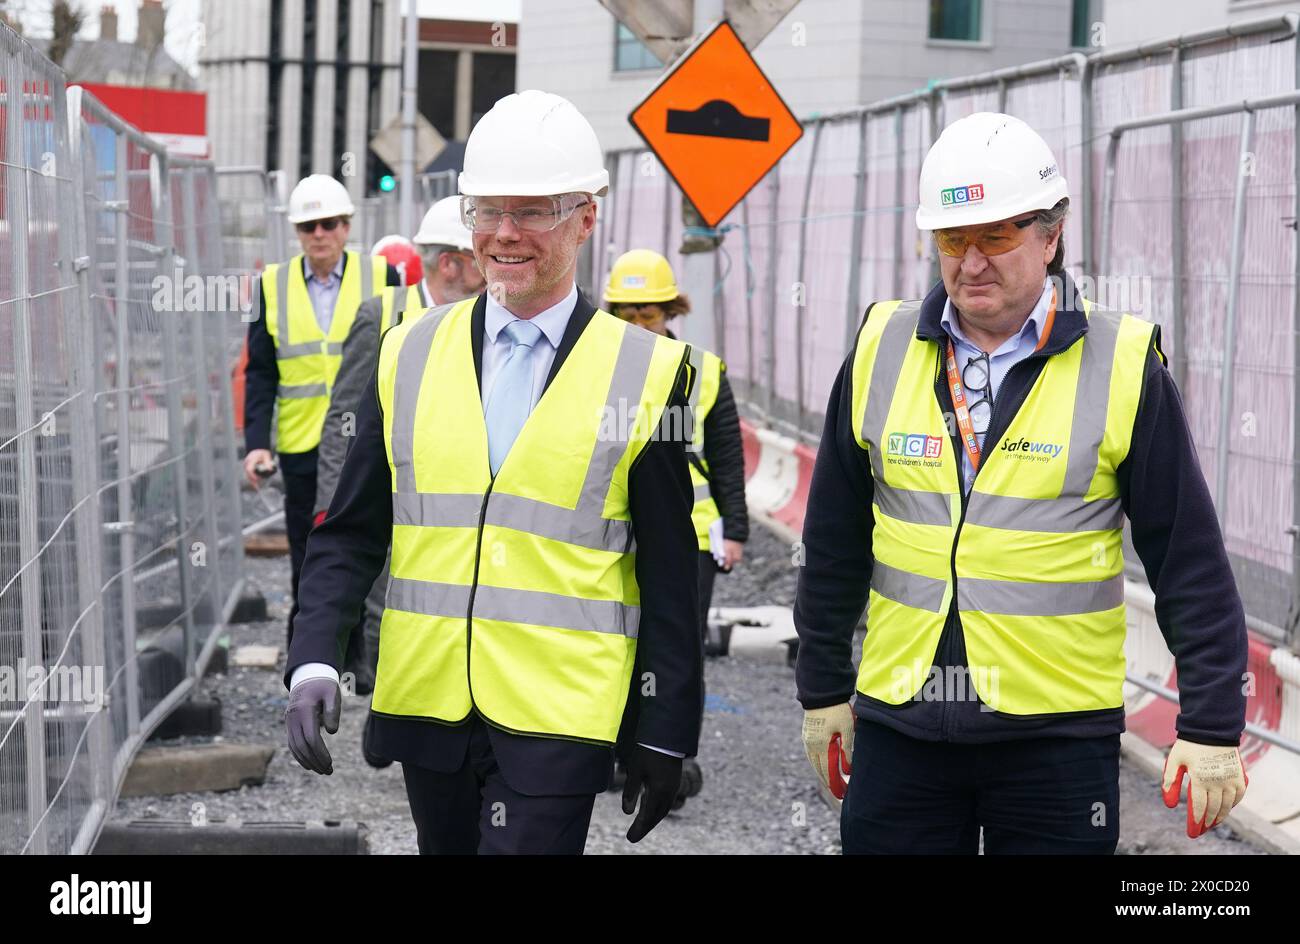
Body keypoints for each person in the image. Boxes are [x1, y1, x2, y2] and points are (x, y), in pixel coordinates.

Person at [794, 112, 1249, 854]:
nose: (970, 262)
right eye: (951, 239)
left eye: (995, 236)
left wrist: (1209, 723)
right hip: (901, 728)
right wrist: (822, 687)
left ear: (1050, 234)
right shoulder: (881, 348)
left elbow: (1187, 557)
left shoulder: (1123, 363)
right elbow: (834, 536)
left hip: (1056, 743)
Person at [283, 90, 704, 854]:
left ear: (586, 217)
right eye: (486, 210)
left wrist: (666, 729)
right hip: (430, 711)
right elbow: (350, 534)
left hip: (559, 721)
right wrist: (313, 656)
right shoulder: (407, 352)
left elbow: (672, 576)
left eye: (535, 211)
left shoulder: (644, 373)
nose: (504, 234)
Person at [312, 197, 485, 764]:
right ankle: (388, 717)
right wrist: (331, 507)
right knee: (391, 607)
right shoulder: (383, 317)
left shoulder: (488, 322)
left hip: (455, 504)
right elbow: (344, 424)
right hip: (386, 498)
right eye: (476, 254)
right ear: (451, 264)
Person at [604, 249, 749, 807]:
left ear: (670, 311)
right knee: (616, 640)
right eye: (627, 312)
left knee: (676, 645)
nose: (638, 323)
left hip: (688, 537)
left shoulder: (703, 370)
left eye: (648, 312)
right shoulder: (594, 367)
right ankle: (617, 748)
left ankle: (669, 751)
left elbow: (728, 456)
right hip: (614, 531)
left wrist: (734, 528)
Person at [242, 174, 398, 638]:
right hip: (304, 445)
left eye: (328, 223)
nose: (319, 235)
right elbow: (260, 372)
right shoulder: (272, 285)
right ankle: (311, 656)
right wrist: (256, 445)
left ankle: (362, 653)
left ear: (346, 226)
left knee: (373, 545)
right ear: (296, 232)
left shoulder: (382, 275)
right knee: (309, 553)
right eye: (308, 226)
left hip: (370, 440)